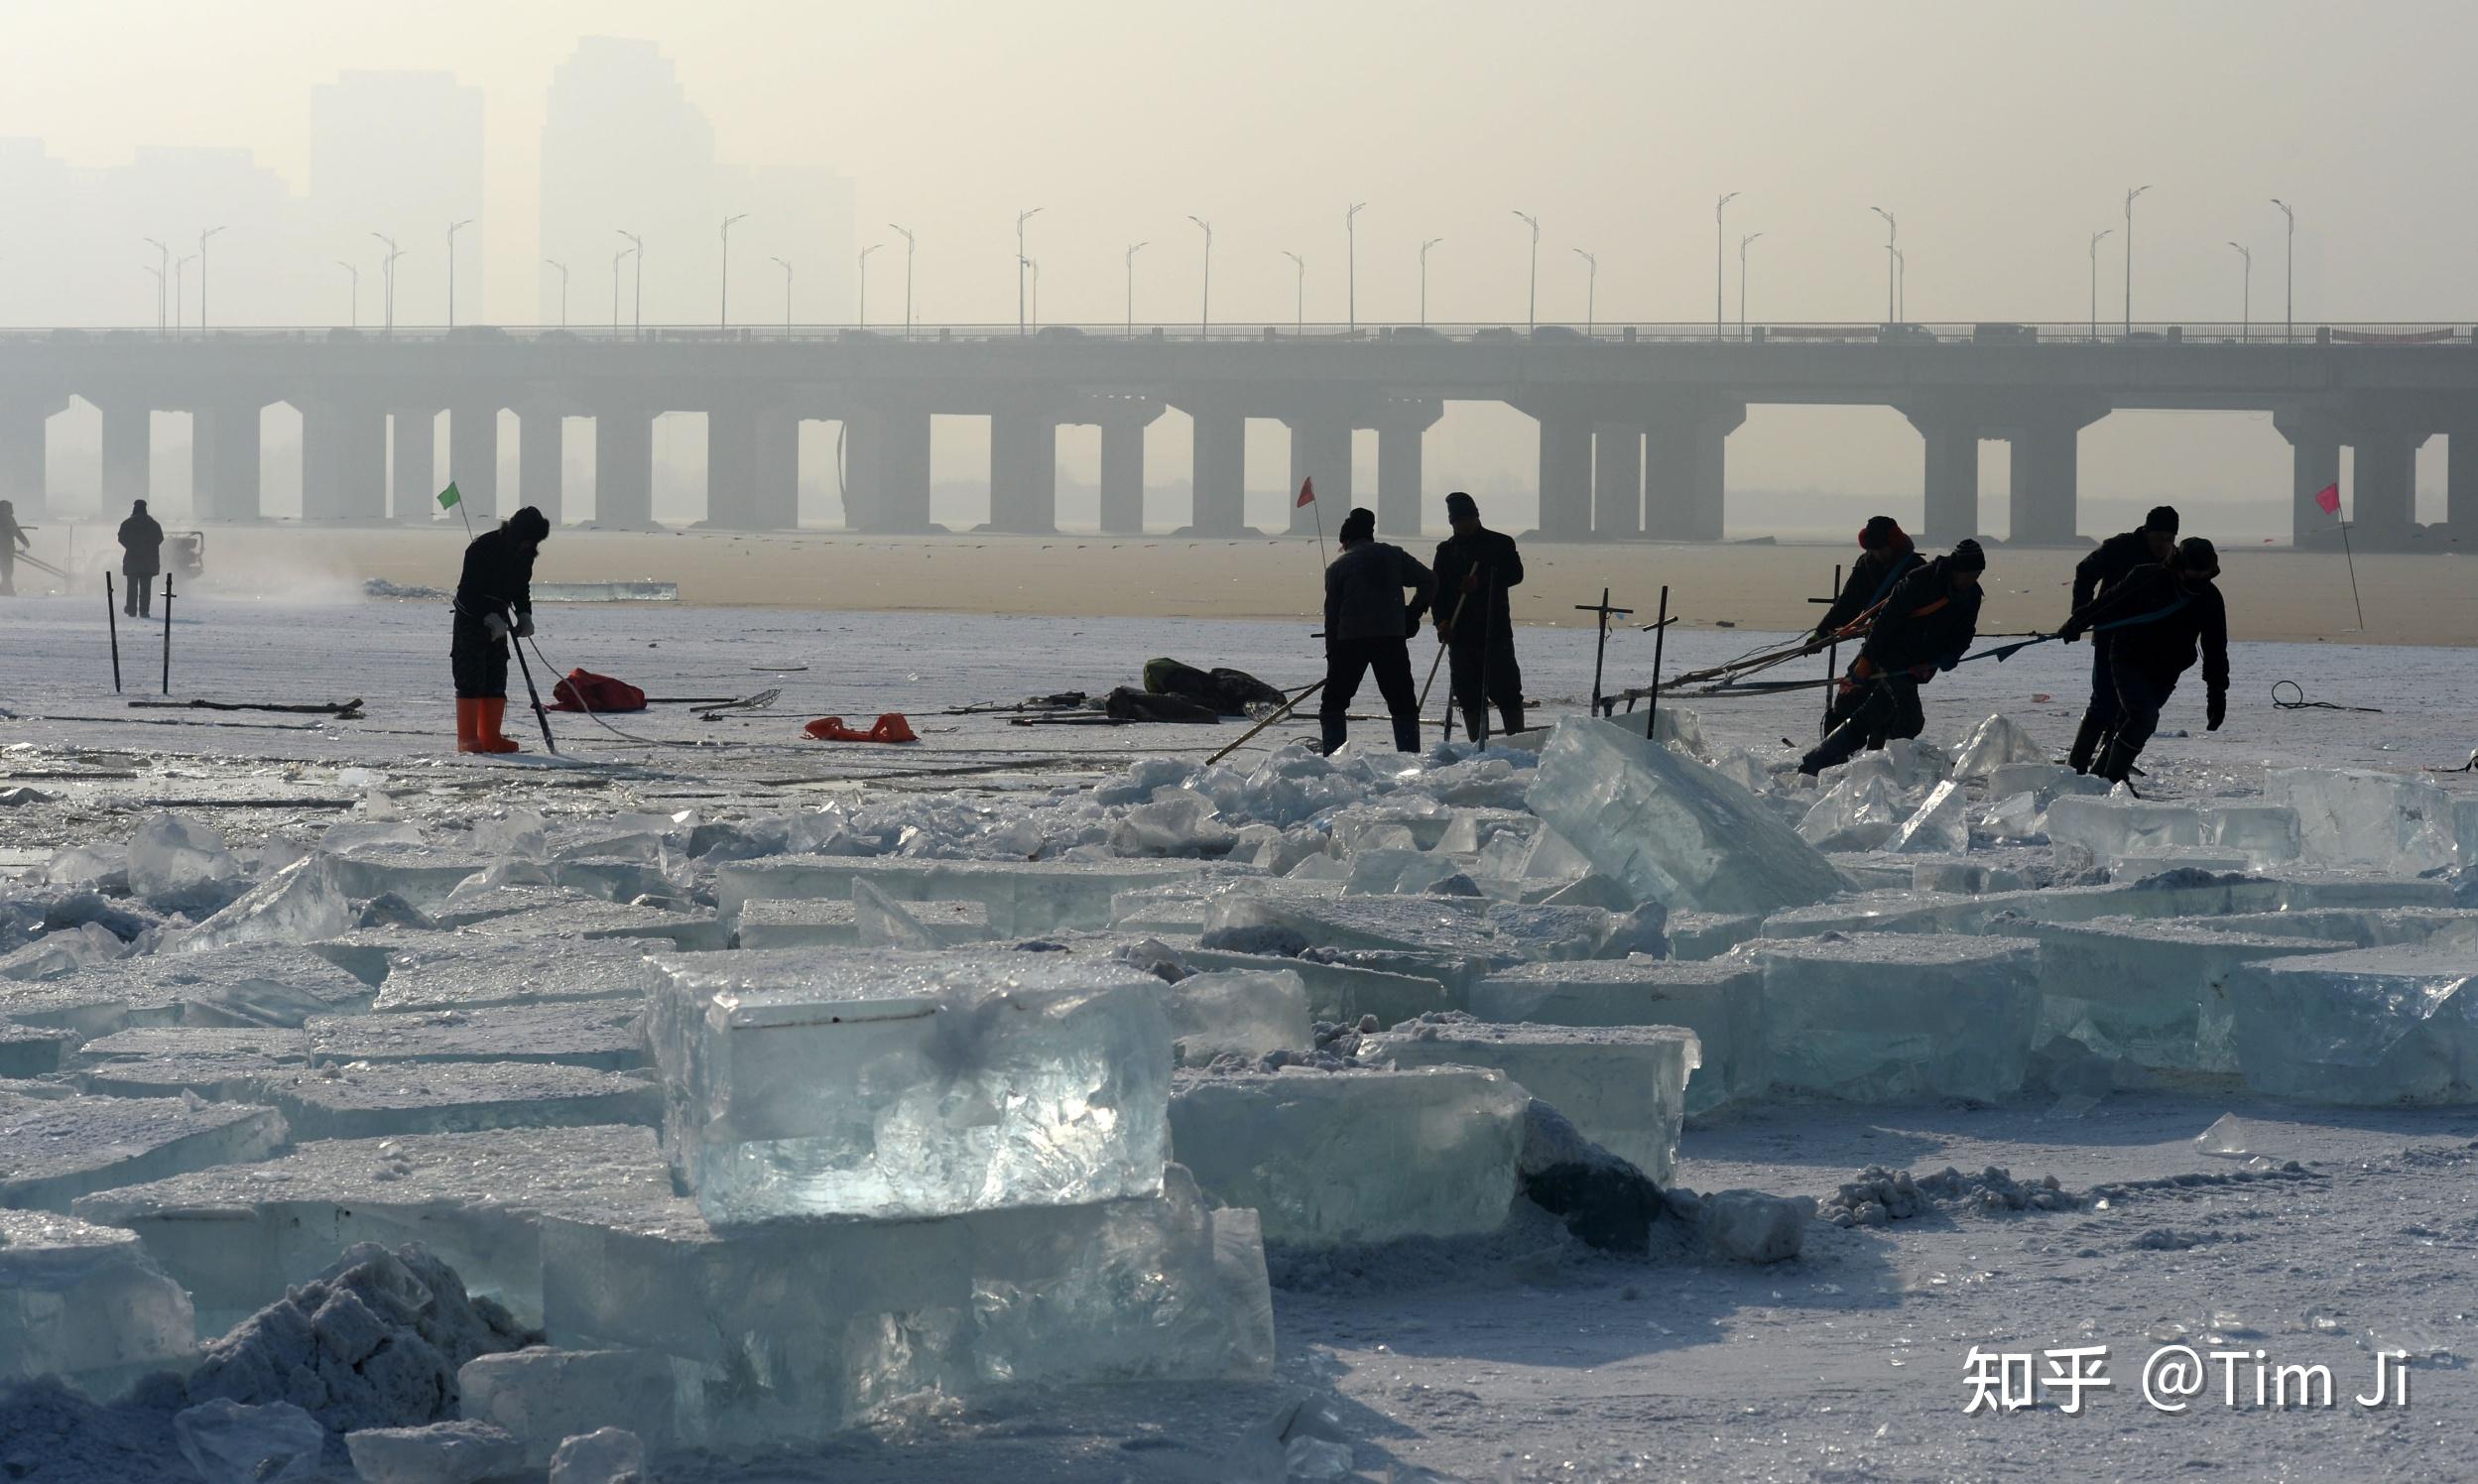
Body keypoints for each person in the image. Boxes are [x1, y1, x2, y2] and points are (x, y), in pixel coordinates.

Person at [1799, 539, 1986, 776]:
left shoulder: (1971, 594)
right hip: (1890, 657)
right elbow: (1885, 625)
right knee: (1910, 719)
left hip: (1917, 663)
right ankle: (1888, 769)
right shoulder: (1919, 581)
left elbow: (1963, 632)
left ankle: (1818, 763)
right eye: (1968, 574)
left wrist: (1949, 656)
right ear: (1956, 569)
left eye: (1977, 574)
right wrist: (1865, 662)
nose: (1972, 580)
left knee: (1872, 715)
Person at [2058, 536, 2227, 785]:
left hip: (2167, 670)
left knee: (2127, 722)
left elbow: (2215, 649)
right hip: (2128, 658)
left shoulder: (2210, 598)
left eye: (2205, 576)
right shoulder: (2146, 577)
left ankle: (2099, 780)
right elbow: (2106, 603)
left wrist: (2217, 695)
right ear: (2178, 566)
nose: (2199, 582)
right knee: (2143, 718)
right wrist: (2077, 622)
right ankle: (2110, 782)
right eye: (2194, 575)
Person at [2064, 504, 2179, 773]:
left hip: (2146, 644)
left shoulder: (2174, 558)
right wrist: (2079, 615)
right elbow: (2085, 572)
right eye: (2159, 538)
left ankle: (2109, 766)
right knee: (2103, 701)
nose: (2164, 546)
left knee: (2128, 708)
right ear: (2146, 532)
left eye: (2169, 540)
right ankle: (2076, 767)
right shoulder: (2119, 547)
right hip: (2109, 634)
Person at [1319, 505, 1432, 755]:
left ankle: (1334, 758)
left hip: (1350, 642)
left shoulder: (1338, 567)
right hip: (1391, 638)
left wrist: (1332, 654)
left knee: (1333, 703)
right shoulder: (1393, 556)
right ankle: (1410, 756)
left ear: (1346, 540)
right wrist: (1412, 614)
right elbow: (1429, 580)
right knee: (1402, 702)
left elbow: (1332, 618)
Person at [450, 505, 552, 754]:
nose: (531, 545)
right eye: (528, 539)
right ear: (517, 534)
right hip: (471, 618)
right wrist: (487, 617)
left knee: (496, 677)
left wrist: (525, 614)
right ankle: (468, 738)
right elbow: (467, 591)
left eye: (534, 541)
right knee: (471, 676)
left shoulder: (526, 554)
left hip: (500, 618)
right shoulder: (482, 548)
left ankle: (491, 737)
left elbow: (520, 587)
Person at [1430, 490, 1526, 741]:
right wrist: (1441, 622)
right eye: (1458, 521)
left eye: (1467, 519)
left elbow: (1515, 574)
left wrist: (1481, 581)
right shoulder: (1446, 551)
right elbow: (1437, 592)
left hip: (1494, 631)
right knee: (1469, 696)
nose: (1464, 525)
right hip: (1460, 634)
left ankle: (1516, 742)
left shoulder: (1500, 544)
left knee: (1507, 692)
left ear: (1477, 516)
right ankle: (1477, 745)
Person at [1811, 515, 1923, 640]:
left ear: (1894, 543)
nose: (1878, 554)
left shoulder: (1916, 567)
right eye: (1874, 549)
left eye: (1882, 548)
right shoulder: (1865, 564)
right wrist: (1820, 633)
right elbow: (1849, 601)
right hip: (1876, 637)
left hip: (1909, 639)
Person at [118, 499, 164, 618]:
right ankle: (144, 611)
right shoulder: (153, 524)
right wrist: (148, 548)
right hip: (149, 562)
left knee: (131, 587)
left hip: (132, 560)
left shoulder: (127, 523)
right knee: (146, 588)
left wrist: (132, 547)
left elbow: (121, 538)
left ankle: (131, 610)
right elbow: (160, 538)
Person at [0, 500, 26, 597]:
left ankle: (4, 590)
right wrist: (26, 542)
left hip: (3, 549)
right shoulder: (9, 518)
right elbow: (16, 531)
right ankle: (7, 591)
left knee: (4, 571)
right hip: (7, 549)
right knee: (7, 571)